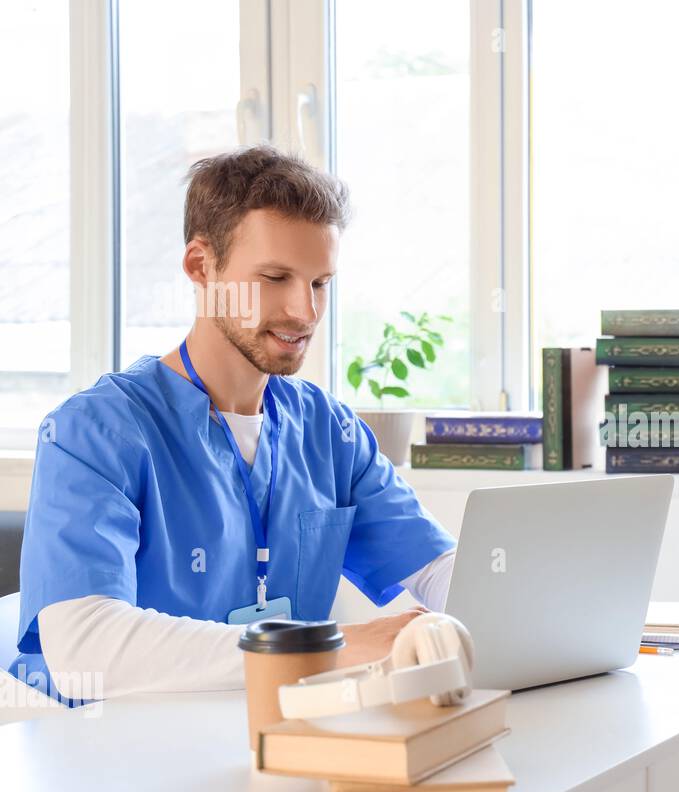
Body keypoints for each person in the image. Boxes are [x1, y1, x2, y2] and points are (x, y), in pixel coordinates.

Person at [6, 145, 455, 705]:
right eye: (274, 277)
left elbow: (441, 571)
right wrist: (331, 647)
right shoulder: (93, 432)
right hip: (116, 760)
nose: (304, 313)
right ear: (201, 266)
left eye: (319, 283)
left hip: (263, 739)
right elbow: (82, 646)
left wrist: (478, 618)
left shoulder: (328, 430)